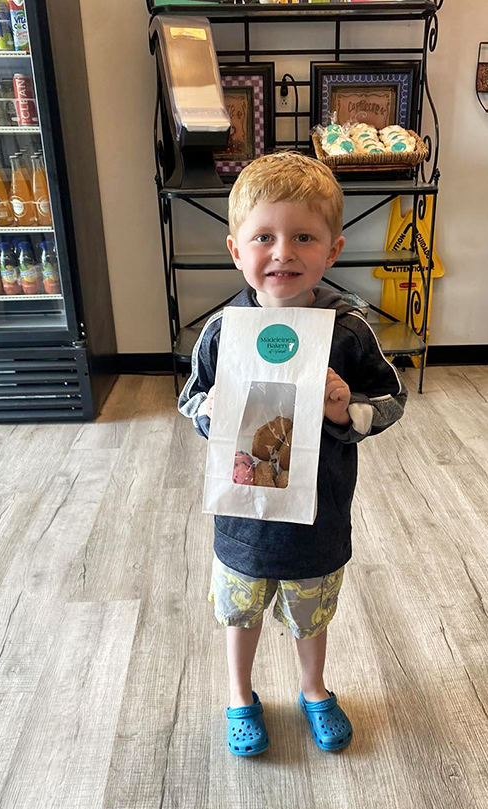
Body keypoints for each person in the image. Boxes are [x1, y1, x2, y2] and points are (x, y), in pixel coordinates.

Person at [178, 152, 408, 756]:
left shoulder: (350, 329)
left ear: (332, 250)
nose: (283, 252)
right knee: (242, 609)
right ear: (236, 249)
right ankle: (239, 694)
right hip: (244, 514)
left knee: (312, 610)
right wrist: (210, 412)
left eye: (304, 236)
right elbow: (189, 397)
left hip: (318, 514)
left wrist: (342, 408)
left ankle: (313, 688)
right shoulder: (223, 330)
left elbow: (391, 400)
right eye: (264, 237)